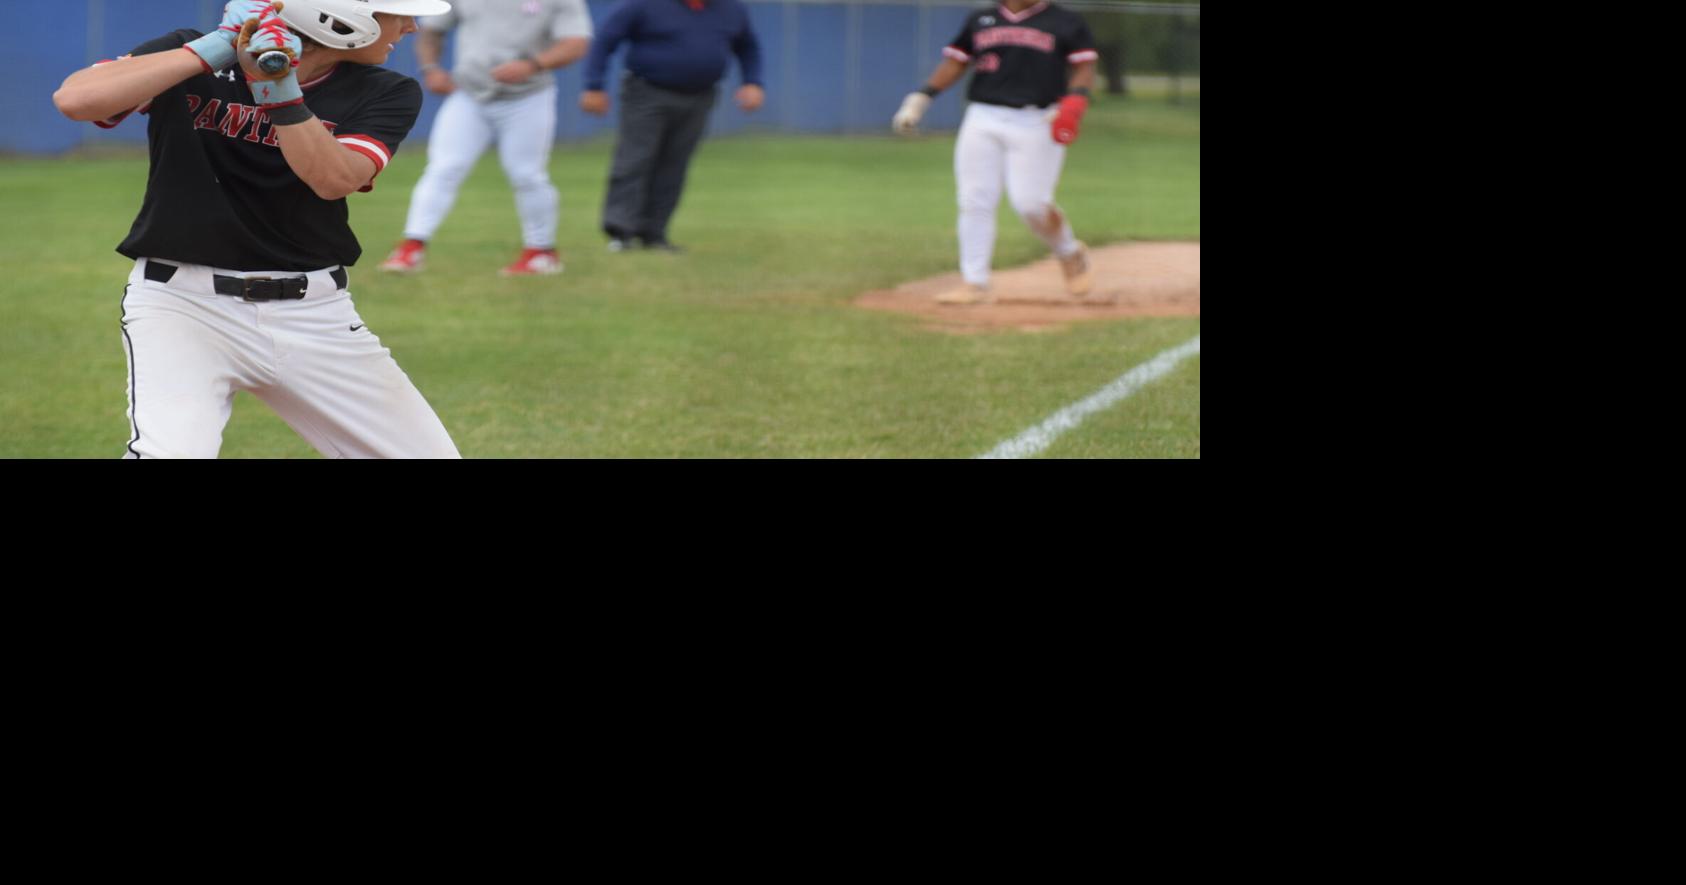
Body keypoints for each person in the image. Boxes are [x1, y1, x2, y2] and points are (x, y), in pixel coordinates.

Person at [52, 0, 462, 458]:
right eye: (397, 14)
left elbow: (334, 179)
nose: (410, 26)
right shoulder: (189, 54)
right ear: (340, 14)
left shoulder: (387, 90)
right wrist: (216, 48)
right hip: (183, 306)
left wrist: (281, 95)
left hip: (315, 313)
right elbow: (75, 100)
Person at [891, 0, 1099, 304]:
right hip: (983, 115)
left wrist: (1077, 99)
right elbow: (957, 61)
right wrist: (923, 97)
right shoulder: (982, 18)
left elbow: (1084, 65)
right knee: (974, 199)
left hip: (1038, 118)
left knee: (1032, 204)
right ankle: (975, 282)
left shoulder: (1064, 21)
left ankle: (1069, 252)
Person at [379, 0, 593, 276]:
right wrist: (431, 68)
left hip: (529, 95)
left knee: (527, 174)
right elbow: (431, 29)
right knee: (444, 168)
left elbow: (576, 42)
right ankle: (412, 247)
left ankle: (541, 252)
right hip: (469, 93)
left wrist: (534, 64)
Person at [579, 0, 764, 253]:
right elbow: (605, 39)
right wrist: (593, 85)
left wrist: (752, 81)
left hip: (700, 95)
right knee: (635, 159)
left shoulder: (731, 8)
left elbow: (748, 46)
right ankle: (621, 232)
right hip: (647, 91)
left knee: (674, 164)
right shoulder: (644, 4)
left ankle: (654, 233)